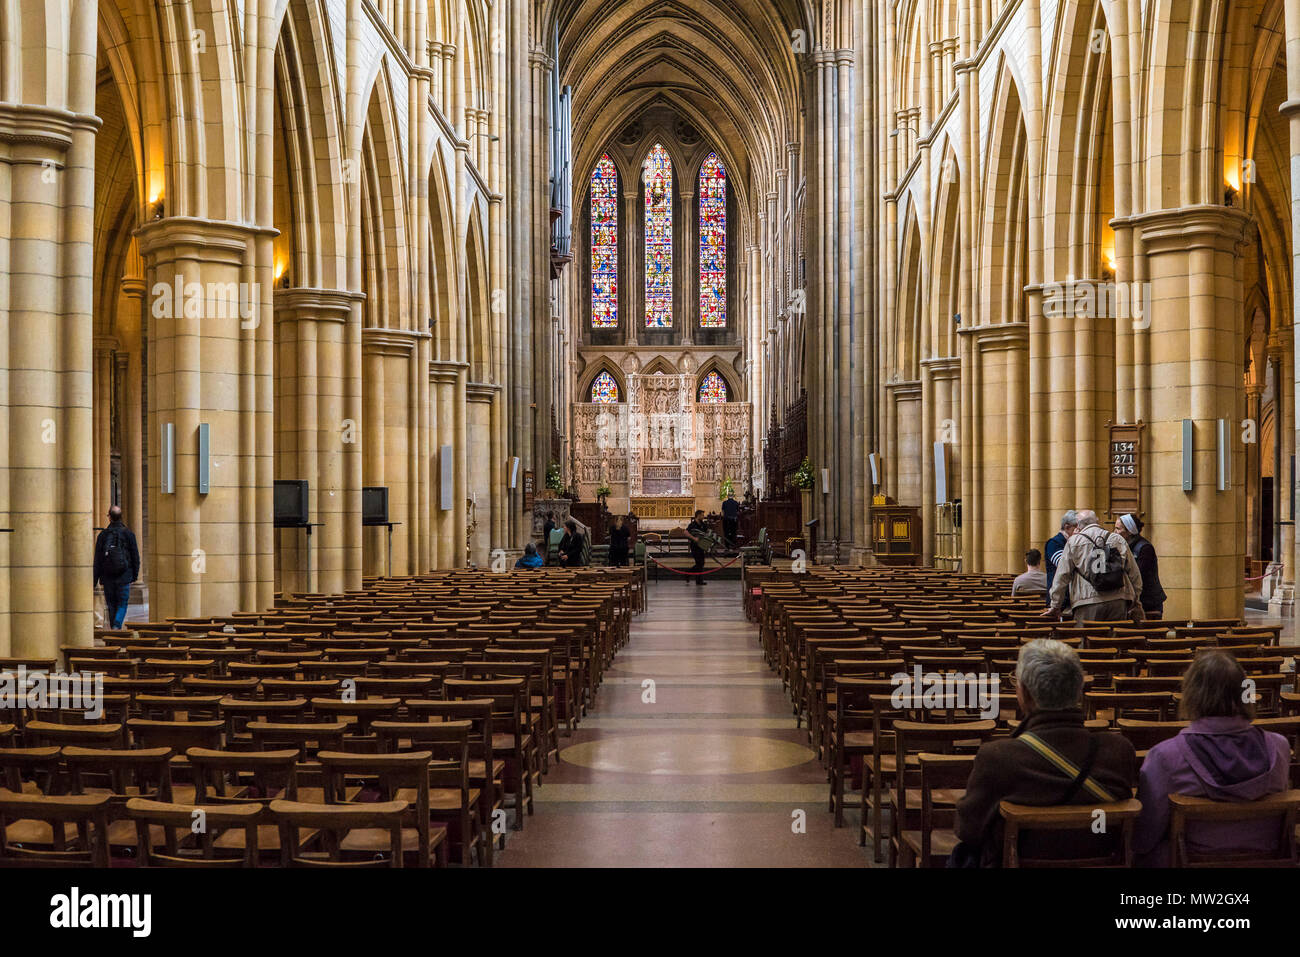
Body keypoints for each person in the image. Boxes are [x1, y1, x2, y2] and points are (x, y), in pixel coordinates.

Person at [952, 639, 1138, 867]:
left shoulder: (998, 758)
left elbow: (968, 830)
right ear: (1079, 690)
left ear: (1025, 694)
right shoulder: (1119, 751)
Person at [1133, 651, 1291, 867]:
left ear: (1192, 695)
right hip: (1267, 860)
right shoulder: (1280, 747)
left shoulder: (1165, 757)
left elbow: (1144, 836)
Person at [1044, 509, 1142, 622]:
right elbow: (1134, 574)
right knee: (1115, 637)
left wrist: (1055, 605)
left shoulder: (1074, 542)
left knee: (1088, 637)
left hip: (1086, 602)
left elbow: (1062, 576)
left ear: (1078, 525)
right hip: (1118, 600)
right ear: (1097, 521)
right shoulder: (1117, 539)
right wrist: (1136, 600)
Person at [93, 505, 140, 629]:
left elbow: (97, 559)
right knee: (122, 603)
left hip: (107, 576)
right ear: (121, 517)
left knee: (111, 604)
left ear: (109, 517)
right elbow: (135, 556)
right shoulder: (129, 534)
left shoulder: (103, 535)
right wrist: (135, 575)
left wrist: (95, 579)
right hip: (124, 576)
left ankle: (114, 629)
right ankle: (117, 626)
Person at [1114, 513, 1167, 620]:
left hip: (1148, 601)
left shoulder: (1144, 548)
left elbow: (1138, 575)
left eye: (1118, 529)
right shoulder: (1123, 546)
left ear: (1129, 531)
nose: (1114, 532)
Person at [1043, 510, 1079, 609]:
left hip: (1073, 597)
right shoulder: (1054, 543)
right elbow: (1063, 565)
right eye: (1078, 528)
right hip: (1059, 600)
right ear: (1067, 527)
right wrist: (1075, 541)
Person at [683, 509, 711, 586]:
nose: (703, 516)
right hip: (695, 546)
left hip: (702, 546)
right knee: (699, 563)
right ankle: (696, 579)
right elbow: (685, 532)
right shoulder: (693, 524)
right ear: (698, 515)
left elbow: (707, 532)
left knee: (701, 563)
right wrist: (694, 538)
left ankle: (690, 575)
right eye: (702, 515)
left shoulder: (703, 524)